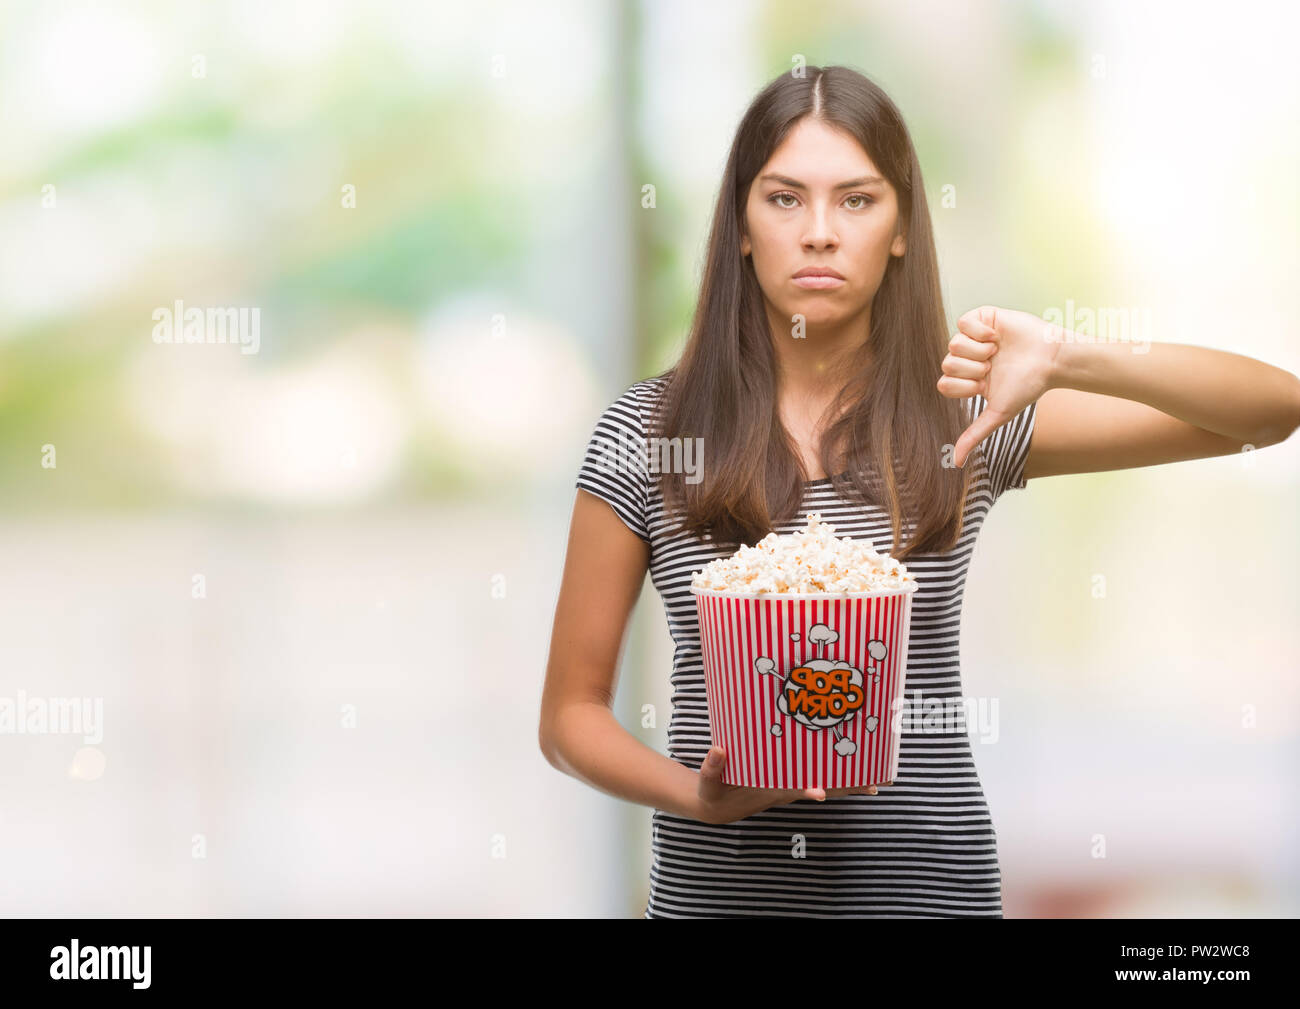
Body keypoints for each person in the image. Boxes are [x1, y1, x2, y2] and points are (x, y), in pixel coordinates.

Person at [538, 64, 1300, 918]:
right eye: (784, 199)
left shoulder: (965, 420)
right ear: (742, 227)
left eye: (857, 200)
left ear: (901, 226)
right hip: (719, 894)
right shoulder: (648, 435)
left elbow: (1271, 410)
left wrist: (1066, 357)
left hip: (930, 894)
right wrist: (695, 794)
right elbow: (570, 715)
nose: (819, 232)